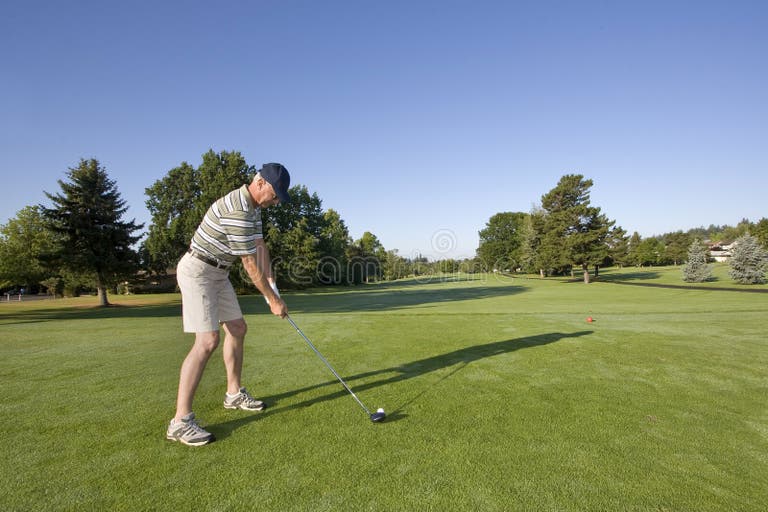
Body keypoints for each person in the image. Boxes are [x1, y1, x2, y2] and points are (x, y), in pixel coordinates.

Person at [166, 163, 290, 446]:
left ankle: (233, 394)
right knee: (207, 341)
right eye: (274, 195)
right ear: (260, 183)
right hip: (198, 271)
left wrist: (272, 285)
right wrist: (273, 301)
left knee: (237, 328)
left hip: (219, 273)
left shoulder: (254, 209)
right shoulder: (238, 209)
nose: (275, 202)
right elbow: (248, 263)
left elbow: (259, 246)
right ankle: (180, 421)